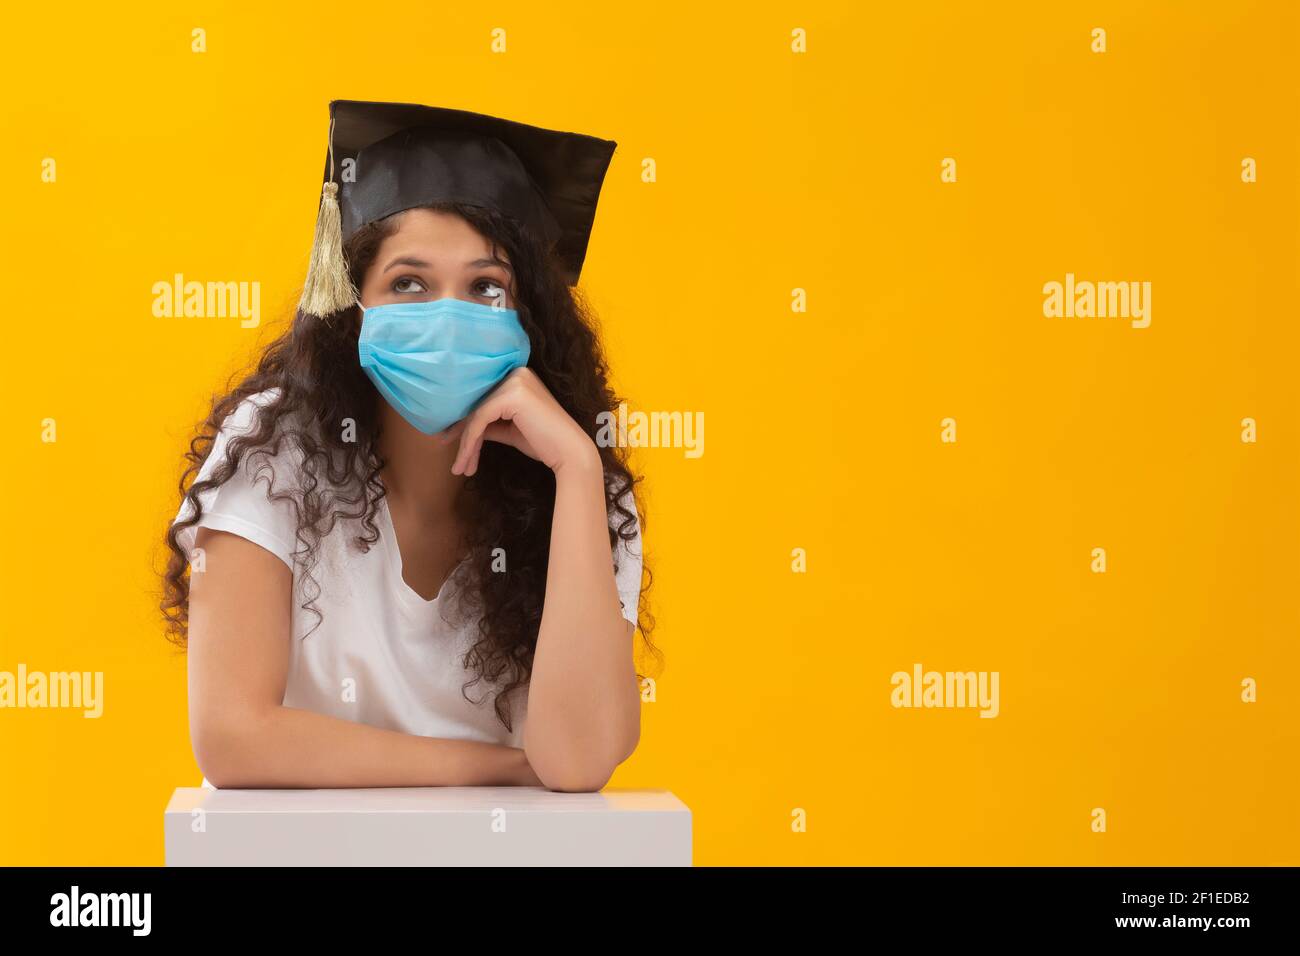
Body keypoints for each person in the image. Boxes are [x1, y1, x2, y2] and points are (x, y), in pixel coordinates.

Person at [161, 100, 655, 792]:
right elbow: (232, 737)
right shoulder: (275, 453)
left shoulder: (583, 485)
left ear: (528, 320)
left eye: (486, 287)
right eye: (409, 284)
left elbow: (576, 761)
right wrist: (499, 766)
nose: (446, 316)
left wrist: (574, 471)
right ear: (350, 302)